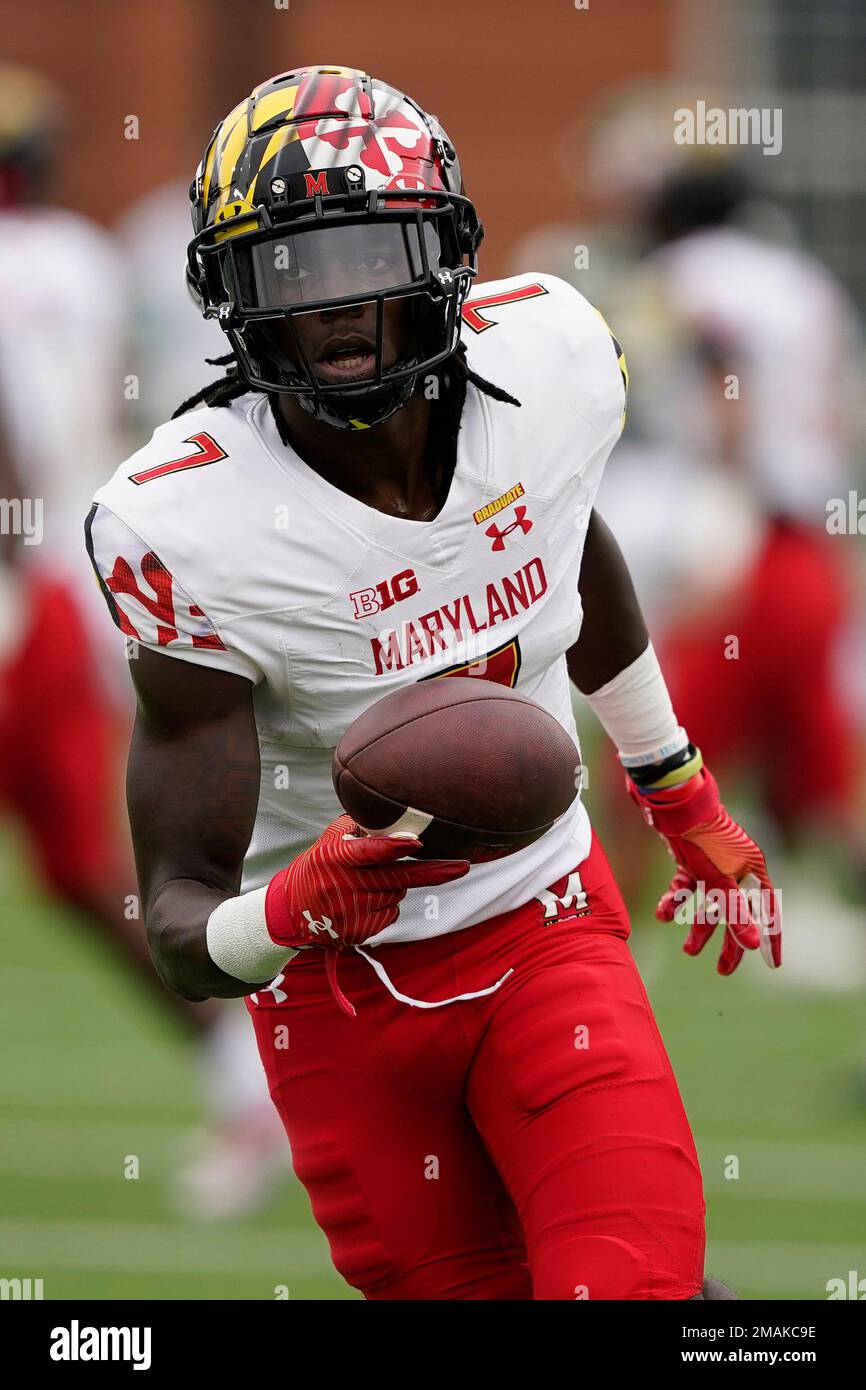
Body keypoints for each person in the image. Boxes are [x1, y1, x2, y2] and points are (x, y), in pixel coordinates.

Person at [86, 65, 779, 1300]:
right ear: (233, 299)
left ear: (444, 251)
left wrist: (675, 790)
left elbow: (565, 550)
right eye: (288, 271)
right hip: (339, 1004)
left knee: (626, 1287)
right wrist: (296, 902)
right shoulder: (186, 526)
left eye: (366, 256)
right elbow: (182, 925)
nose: (336, 306)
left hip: (543, 924)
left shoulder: (553, 365)